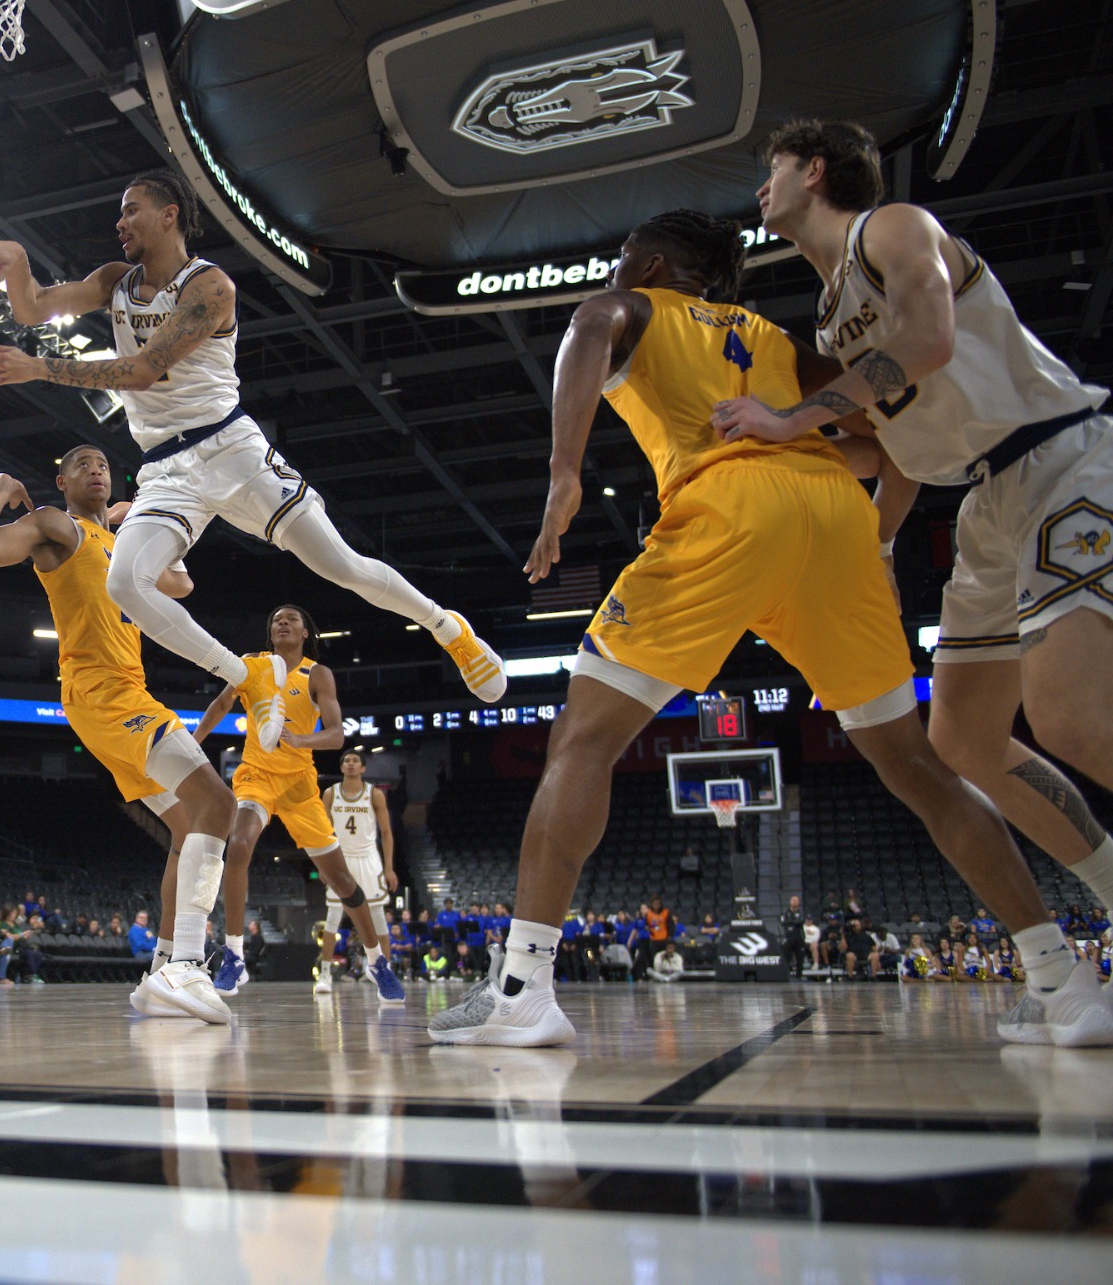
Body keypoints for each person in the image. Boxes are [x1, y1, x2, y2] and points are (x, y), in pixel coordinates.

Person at [430, 211, 1104, 1048]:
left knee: (584, 740)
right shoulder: (783, 344)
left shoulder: (638, 305)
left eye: (622, 257)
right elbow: (886, 446)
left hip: (726, 513)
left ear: (649, 260)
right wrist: (880, 543)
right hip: (832, 519)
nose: (615, 269)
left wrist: (565, 474)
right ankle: (1059, 979)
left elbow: (590, 321)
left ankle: (522, 988)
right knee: (917, 763)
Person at [714, 120, 1113, 1041]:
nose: (761, 188)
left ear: (813, 170)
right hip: (982, 497)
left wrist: (789, 418)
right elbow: (892, 449)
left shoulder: (890, 228)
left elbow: (928, 342)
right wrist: (872, 539)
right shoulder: (826, 311)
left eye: (771, 169)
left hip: (1058, 459)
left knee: (1070, 716)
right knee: (965, 739)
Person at [0, 173, 506, 729]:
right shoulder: (113, 281)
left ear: (169, 214)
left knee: (341, 566)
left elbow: (145, 370)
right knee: (125, 583)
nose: (120, 223)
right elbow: (32, 309)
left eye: (131, 211)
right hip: (164, 469)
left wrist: (41, 368)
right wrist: (18, 262)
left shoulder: (210, 288)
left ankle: (449, 629)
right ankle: (245, 677)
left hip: (230, 450)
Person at [0, 447, 237, 1024]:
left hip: (127, 692)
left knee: (187, 825)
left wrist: (145, 528)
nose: (96, 470)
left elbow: (180, 583)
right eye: (82, 464)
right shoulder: (57, 525)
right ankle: (186, 964)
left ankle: (161, 968)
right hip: (102, 693)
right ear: (60, 480)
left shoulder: (121, 542)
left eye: (103, 463)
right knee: (219, 802)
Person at [192, 609, 404, 1003]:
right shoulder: (251, 666)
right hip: (256, 775)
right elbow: (221, 705)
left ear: (306, 632)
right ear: (270, 632)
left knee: (342, 882)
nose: (282, 623)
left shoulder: (317, 674)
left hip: (301, 786)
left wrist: (299, 740)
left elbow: (337, 734)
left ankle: (377, 961)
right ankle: (234, 956)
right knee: (237, 847)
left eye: (291, 619)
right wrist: (194, 742)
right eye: (275, 620)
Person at [321, 747, 402, 997]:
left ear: (363, 768)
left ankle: (382, 971)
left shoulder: (374, 794)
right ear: (342, 767)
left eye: (356, 761)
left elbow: (386, 833)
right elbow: (322, 833)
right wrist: (323, 865)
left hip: (368, 859)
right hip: (341, 858)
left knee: (378, 917)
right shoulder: (330, 794)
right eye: (347, 761)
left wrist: (389, 868)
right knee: (333, 918)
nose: (352, 764)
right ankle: (324, 974)